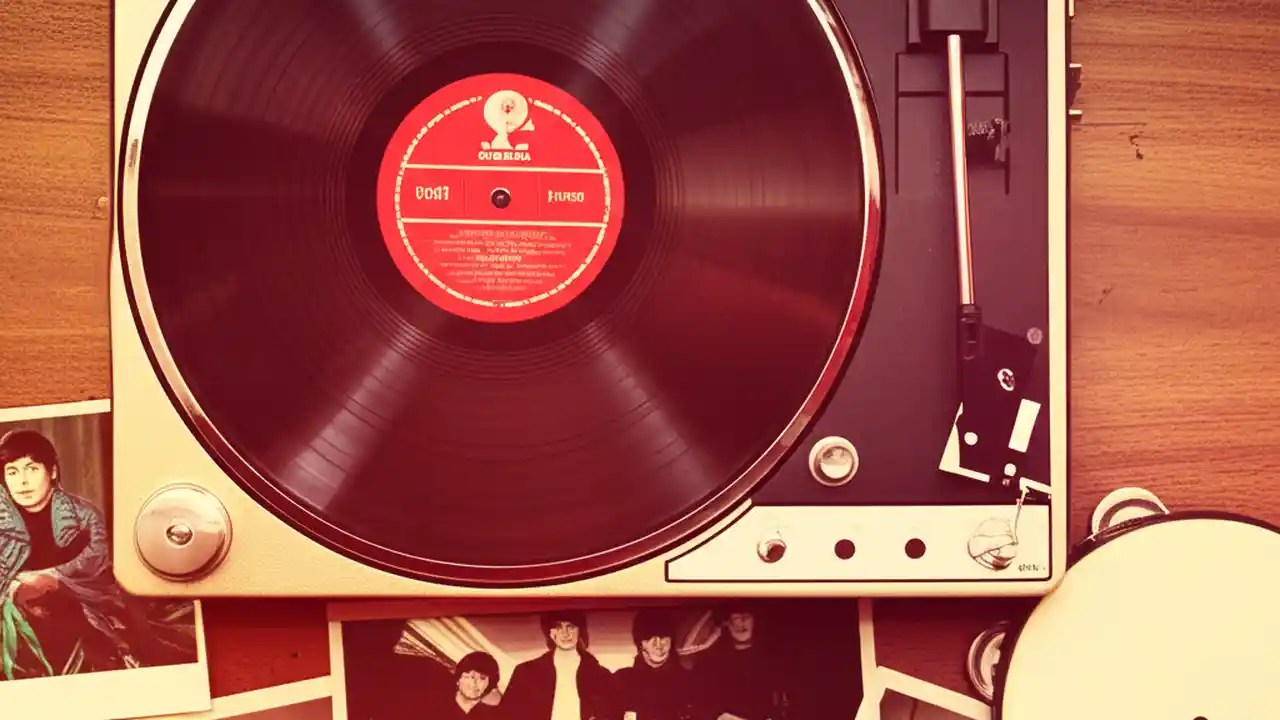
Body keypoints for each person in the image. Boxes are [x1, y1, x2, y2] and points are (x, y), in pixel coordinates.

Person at [0, 428, 196, 679]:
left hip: (85, 601)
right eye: (12, 472)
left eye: (32, 468)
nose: (23, 481)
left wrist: (47, 580)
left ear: (53, 472)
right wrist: (16, 588)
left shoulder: (84, 515)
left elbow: (95, 563)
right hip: (15, 612)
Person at [500, 610, 614, 720]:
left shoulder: (601, 675)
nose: (565, 633)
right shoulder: (525, 672)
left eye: (571, 626)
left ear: (580, 630)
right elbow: (507, 715)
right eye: (558, 627)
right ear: (549, 632)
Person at [693, 602, 784, 720]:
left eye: (746, 616)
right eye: (736, 617)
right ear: (727, 623)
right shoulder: (710, 661)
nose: (741, 621)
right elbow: (700, 701)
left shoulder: (774, 659)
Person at [610, 608, 699, 720]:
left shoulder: (690, 681)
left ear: (672, 640)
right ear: (640, 643)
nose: (658, 645)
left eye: (663, 637)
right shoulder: (621, 681)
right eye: (650, 638)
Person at [426, 650, 503, 719]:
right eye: (470, 676)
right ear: (458, 679)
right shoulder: (435, 706)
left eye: (482, 678)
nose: (474, 683)